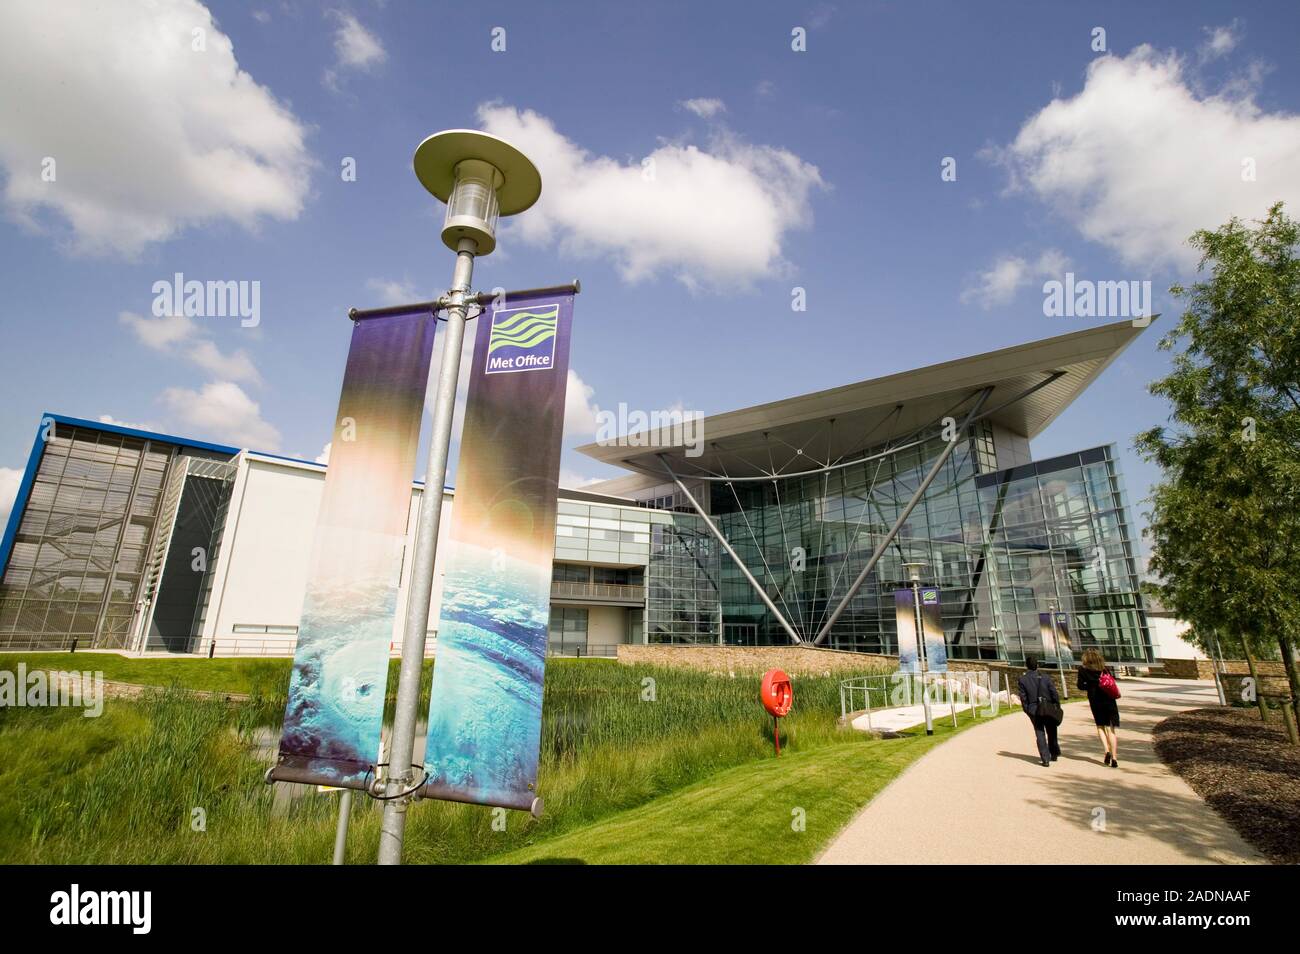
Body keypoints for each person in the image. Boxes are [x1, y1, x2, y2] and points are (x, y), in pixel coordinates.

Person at [1077, 648, 1120, 767]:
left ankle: (1106, 750)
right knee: (1111, 729)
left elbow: (1080, 686)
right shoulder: (1104, 668)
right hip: (1108, 699)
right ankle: (1115, 758)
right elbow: (1110, 681)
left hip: (1095, 700)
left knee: (1100, 726)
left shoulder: (1083, 670)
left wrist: (1090, 686)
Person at [1017, 655, 1060, 766]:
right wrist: (1056, 704)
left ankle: (1045, 759)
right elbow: (1053, 692)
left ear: (1026, 666)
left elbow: (1023, 697)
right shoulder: (1045, 677)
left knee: (1039, 733)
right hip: (1048, 707)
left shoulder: (1023, 679)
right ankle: (1054, 754)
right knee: (1052, 731)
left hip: (1034, 709)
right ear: (1037, 665)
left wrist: (1027, 709)